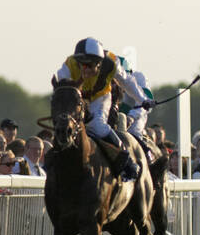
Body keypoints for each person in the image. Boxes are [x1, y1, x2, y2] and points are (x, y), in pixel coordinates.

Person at [52, 37, 141, 181]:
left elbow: (127, 82)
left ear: (99, 63)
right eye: (82, 64)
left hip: (100, 97)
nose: (84, 68)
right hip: (77, 97)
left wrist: (143, 99)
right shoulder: (69, 65)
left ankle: (127, 162)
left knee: (97, 125)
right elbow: (62, 90)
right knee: (63, 122)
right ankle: (52, 160)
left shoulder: (111, 62)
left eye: (89, 64)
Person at [114, 55, 159, 165]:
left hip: (136, 120)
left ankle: (148, 157)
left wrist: (131, 117)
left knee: (132, 133)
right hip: (114, 120)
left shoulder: (138, 78)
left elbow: (145, 101)